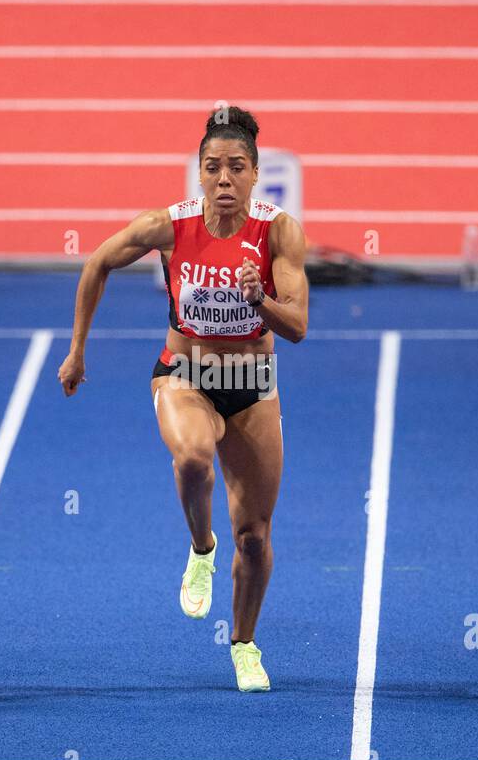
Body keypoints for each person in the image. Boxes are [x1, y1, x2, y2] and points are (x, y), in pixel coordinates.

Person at [59, 108, 309, 691]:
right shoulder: (168, 227)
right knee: (194, 456)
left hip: (251, 385)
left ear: (254, 174)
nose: (224, 179)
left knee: (255, 535)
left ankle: (244, 644)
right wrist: (77, 352)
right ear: (199, 173)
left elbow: (297, 326)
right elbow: (97, 262)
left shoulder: (280, 232)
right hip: (185, 374)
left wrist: (259, 300)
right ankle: (201, 548)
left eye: (236, 168)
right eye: (212, 168)